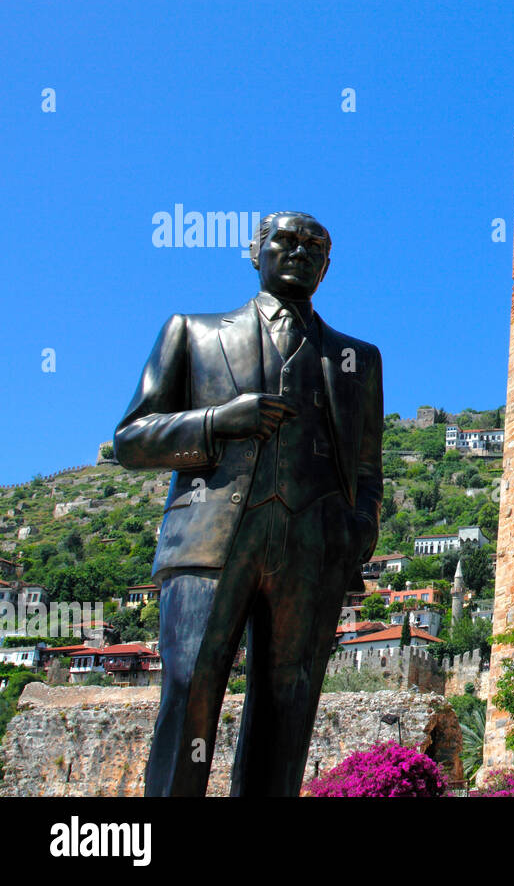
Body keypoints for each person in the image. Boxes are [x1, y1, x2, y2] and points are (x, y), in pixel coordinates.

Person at [114, 211, 382, 796]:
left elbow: (367, 469)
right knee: (190, 690)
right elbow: (131, 439)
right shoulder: (193, 331)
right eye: (286, 241)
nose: (301, 253)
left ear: (327, 267)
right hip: (211, 542)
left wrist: (358, 532)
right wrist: (218, 421)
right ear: (254, 250)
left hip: (313, 551)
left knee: (289, 705)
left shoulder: (357, 360)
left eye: (316, 247)